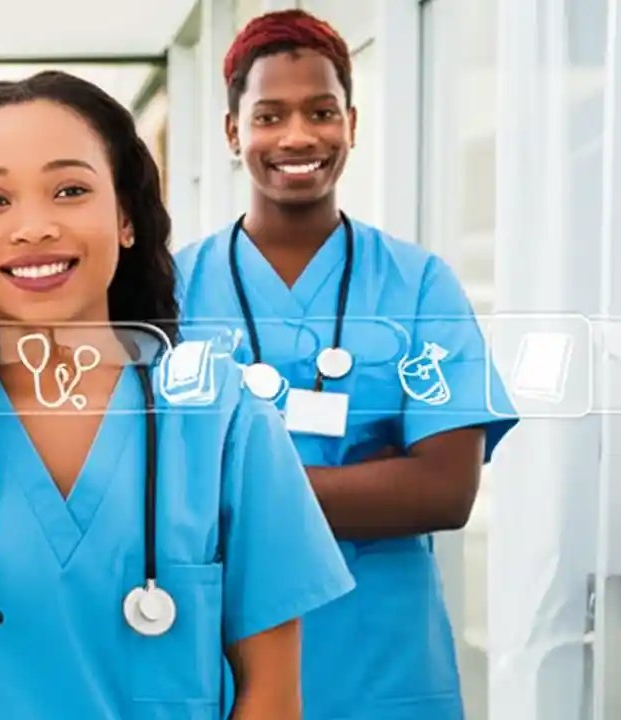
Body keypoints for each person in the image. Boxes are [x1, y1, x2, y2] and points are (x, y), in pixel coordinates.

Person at [0, 70, 354, 720]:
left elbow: (272, 698)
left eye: (70, 189)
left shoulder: (221, 415)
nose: (34, 227)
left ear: (126, 218)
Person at [174, 9, 520, 720]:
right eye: (269, 115)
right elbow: (147, 486)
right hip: (216, 654)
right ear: (234, 132)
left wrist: (234, 491)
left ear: (352, 125)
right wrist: (375, 478)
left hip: (380, 660)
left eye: (321, 111)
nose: (298, 136)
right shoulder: (171, 291)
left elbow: (445, 492)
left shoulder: (419, 283)